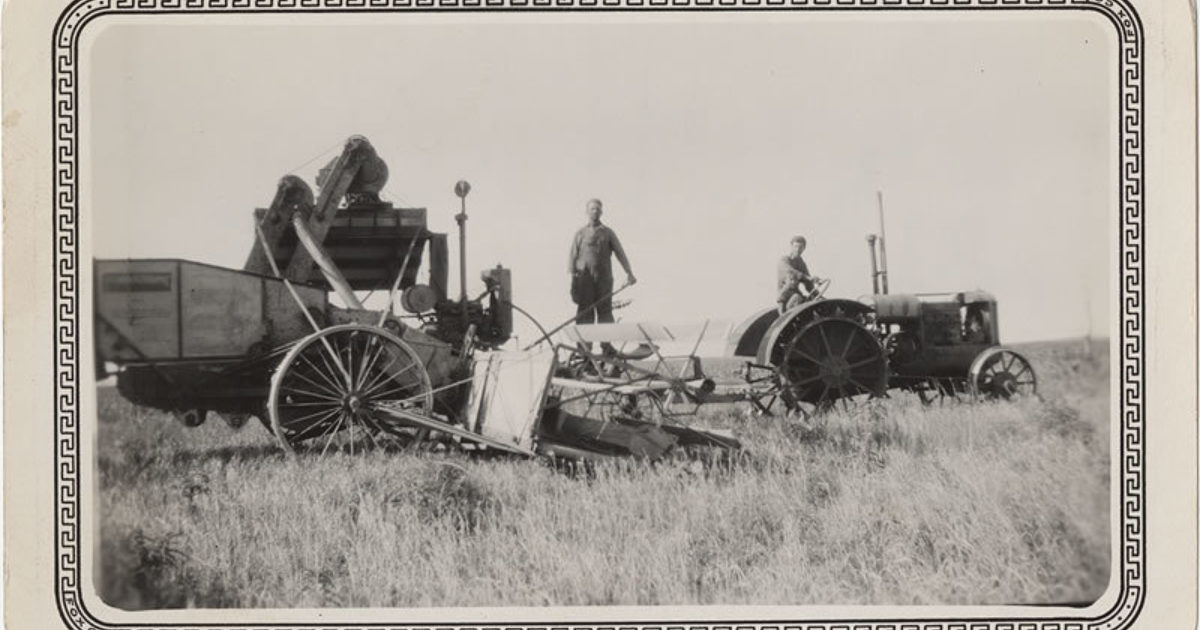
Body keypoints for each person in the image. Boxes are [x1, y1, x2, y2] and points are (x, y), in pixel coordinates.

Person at [569, 198, 637, 338]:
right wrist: (573, 285)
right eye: (592, 209)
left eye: (598, 209)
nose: (595, 211)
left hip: (604, 281)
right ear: (587, 212)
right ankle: (584, 351)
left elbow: (620, 253)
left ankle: (607, 348)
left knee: (605, 313)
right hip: (585, 281)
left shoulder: (608, 233)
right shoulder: (580, 233)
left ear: (602, 212)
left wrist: (629, 273)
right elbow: (572, 260)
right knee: (584, 314)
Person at [777, 235, 820, 313]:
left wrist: (818, 295)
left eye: (800, 247)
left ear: (804, 248)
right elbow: (791, 272)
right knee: (797, 299)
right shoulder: (784, 260)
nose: (798, 250)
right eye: (796, 247)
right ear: (791, 247)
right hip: (784, 297)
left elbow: (809, 284)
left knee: (811, 303)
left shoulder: (801, 264)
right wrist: (808, 278)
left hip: (796, 294)